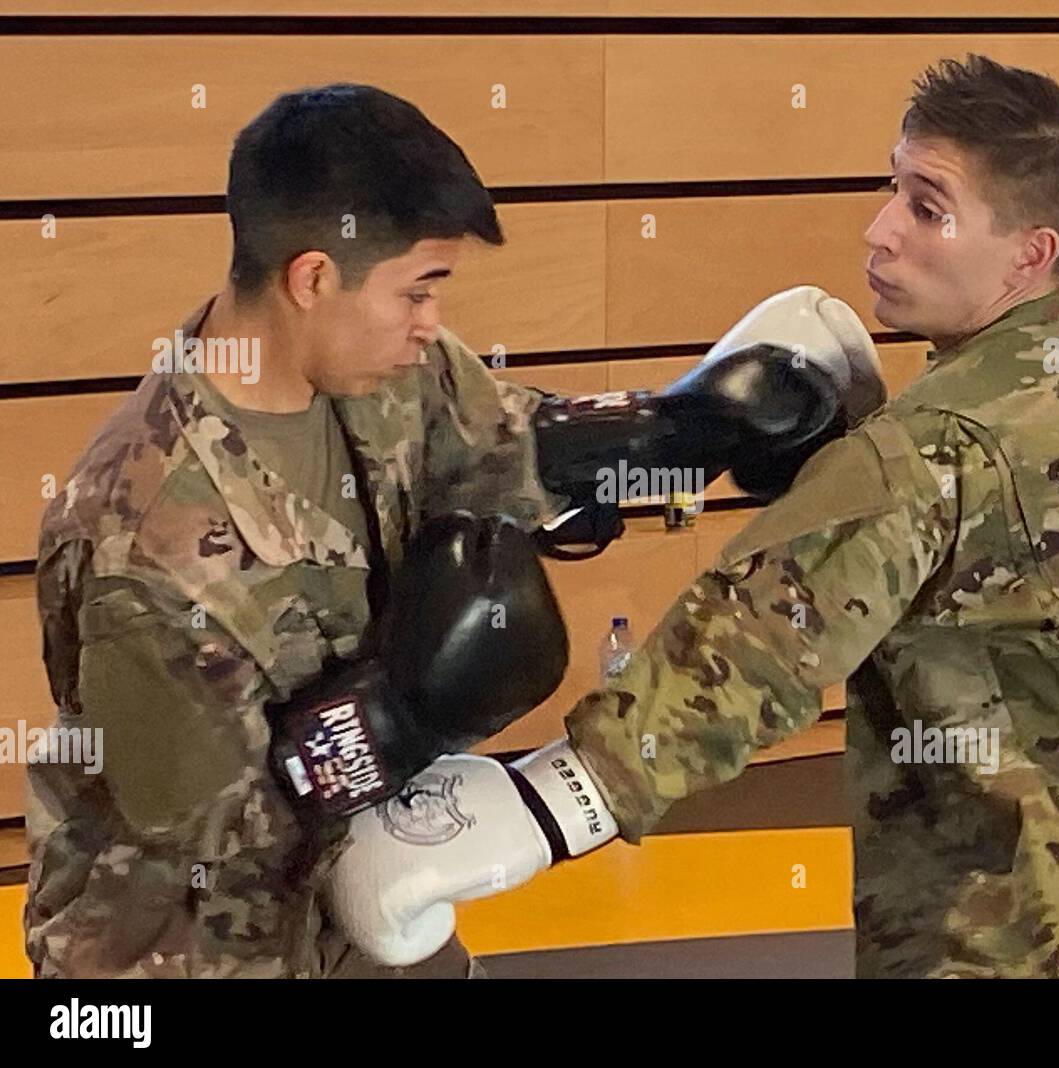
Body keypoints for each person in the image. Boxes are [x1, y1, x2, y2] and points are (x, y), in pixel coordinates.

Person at [336, 55, 1059, 979]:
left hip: (1038, 941)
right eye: (893, 189)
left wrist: (543, 807)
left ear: (1029, 252)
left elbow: (759, 641)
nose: (880, 231)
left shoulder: (929, 450)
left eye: (928, 208)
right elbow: (1013, 573)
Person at [25, 83, 881, 979]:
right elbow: (200, 828)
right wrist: (397, 719)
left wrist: (679, 430)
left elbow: (503, 446)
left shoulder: (388, 368)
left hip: (363, 904)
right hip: (189, 949)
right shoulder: (145, 543)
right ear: (312, 278)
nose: (431, 323)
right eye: (417, 293)